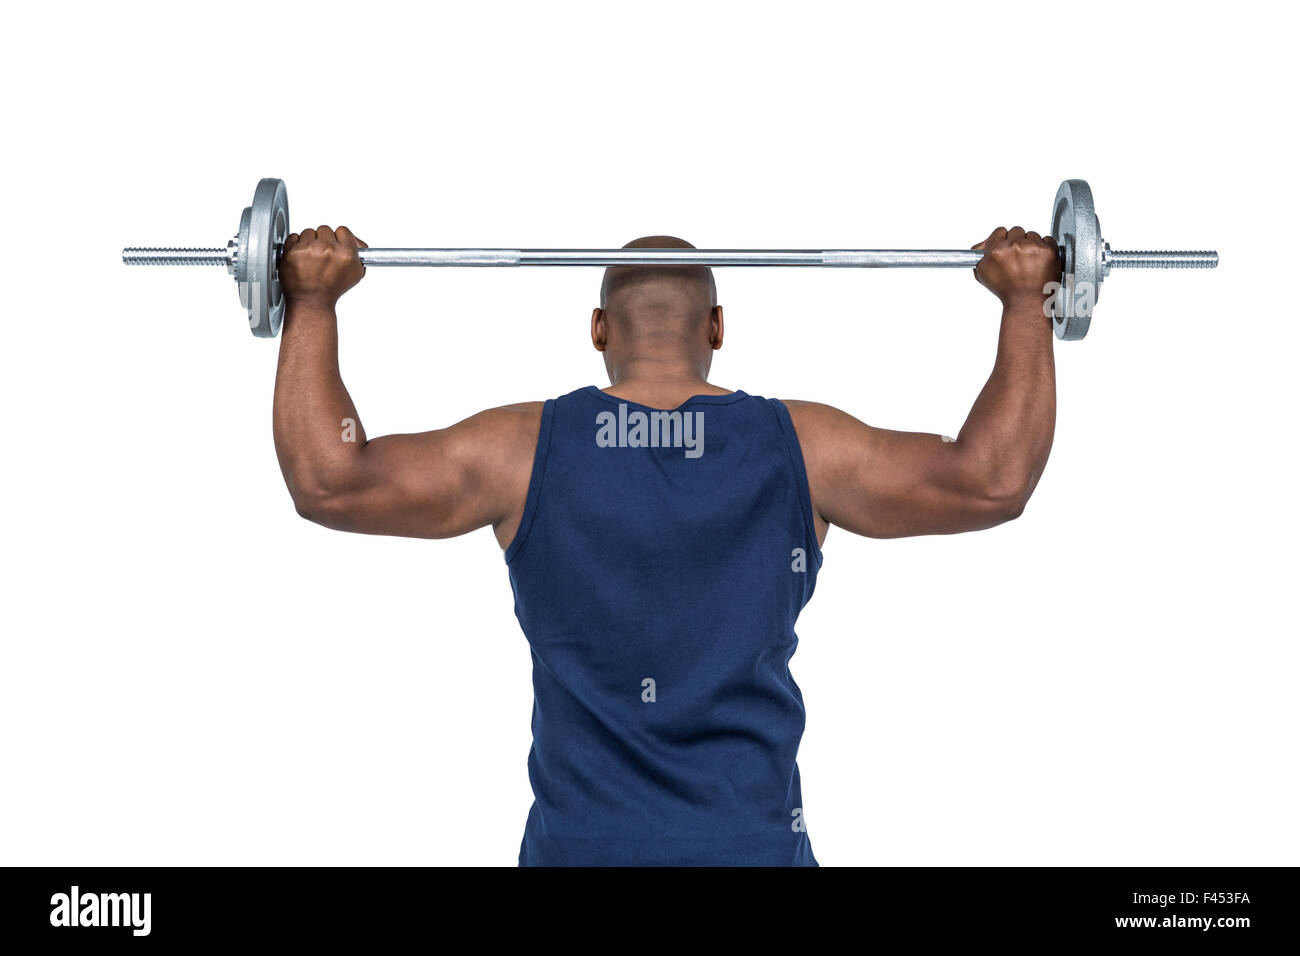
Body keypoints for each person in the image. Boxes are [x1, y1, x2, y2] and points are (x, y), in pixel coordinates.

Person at [273, 224, 1059, 866]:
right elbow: (990, 480)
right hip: (751, 849)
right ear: (718, 328)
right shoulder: (804, 447)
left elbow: (331, 481)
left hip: (581, 852)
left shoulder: (517, 450)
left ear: (598, 330)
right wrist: (1025, 301)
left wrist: (313, 301)